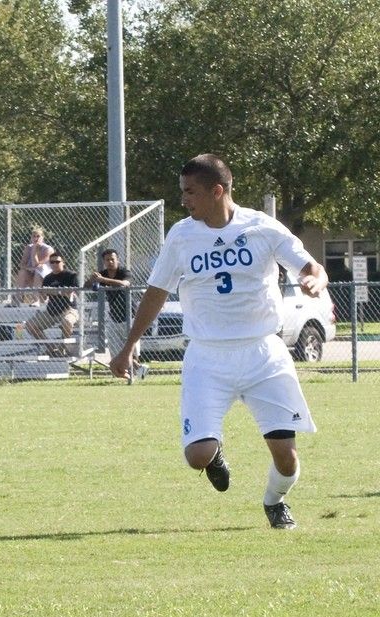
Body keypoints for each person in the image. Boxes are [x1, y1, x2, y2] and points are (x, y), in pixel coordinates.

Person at [109, 154, 329, 530]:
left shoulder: (262, 227)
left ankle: (274, 501)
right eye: (182, 193)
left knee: (287, 460)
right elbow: (156, 292)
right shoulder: (181, 235)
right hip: (208, 357)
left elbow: (312, 268)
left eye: (190, 192)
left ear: (217, 190)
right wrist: (128, 345)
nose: (184, 200)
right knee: (197, 455)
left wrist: (315, 281)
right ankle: (214, 454)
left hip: (264, 354)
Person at [85, 248, 146, 377]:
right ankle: (135, 371)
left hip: (130, 316)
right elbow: (85, 286)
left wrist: (103, 280)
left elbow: (124, 283)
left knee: (132, 347)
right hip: (114, 316)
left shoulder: (124, 272)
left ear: (117, 260)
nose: (110, 262)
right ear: (104, 261)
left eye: (113, 259)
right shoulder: (102, 274)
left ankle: (137, 370)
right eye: (107, 260)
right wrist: (92, 279)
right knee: (116, 349)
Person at [24, 252, 79, 354]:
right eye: (52, 262)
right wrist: (43, 292)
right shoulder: (48, 278)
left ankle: (62, 347)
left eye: (57, 262)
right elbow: (44, 297)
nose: (54, 264)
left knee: (67, 321)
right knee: (30, 325)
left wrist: (53, 291)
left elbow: (69, 293)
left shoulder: (71, 275)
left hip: (68, 309)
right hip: (52, 311)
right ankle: (51, 347)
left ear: (63, 262)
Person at [12, 227, 54, 305]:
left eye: (38, 236)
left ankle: (36, 300)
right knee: (22, 272)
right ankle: (16, 301)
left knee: (39, 270)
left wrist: (34, 250)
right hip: (32, 277)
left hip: (44, 279)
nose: (36, 238)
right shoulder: (28, 248)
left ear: (42, 237)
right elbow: (22, 264)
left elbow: (37, 264)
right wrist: (29, 268)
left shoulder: (48, 249)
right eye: (34, 236)